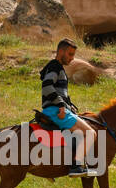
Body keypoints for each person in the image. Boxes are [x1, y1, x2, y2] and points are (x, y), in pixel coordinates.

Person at [40, 38, 99, 177]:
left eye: (73, 55)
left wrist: (69, 105)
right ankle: (76, 166)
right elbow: (47, 86)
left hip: (56, 108)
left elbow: (56, 90)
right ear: (61, 52)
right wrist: (61, 105)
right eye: (70, 54)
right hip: (56, 110)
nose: (72, 59)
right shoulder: (55, 66)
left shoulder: (56, 67)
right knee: (91, 133)